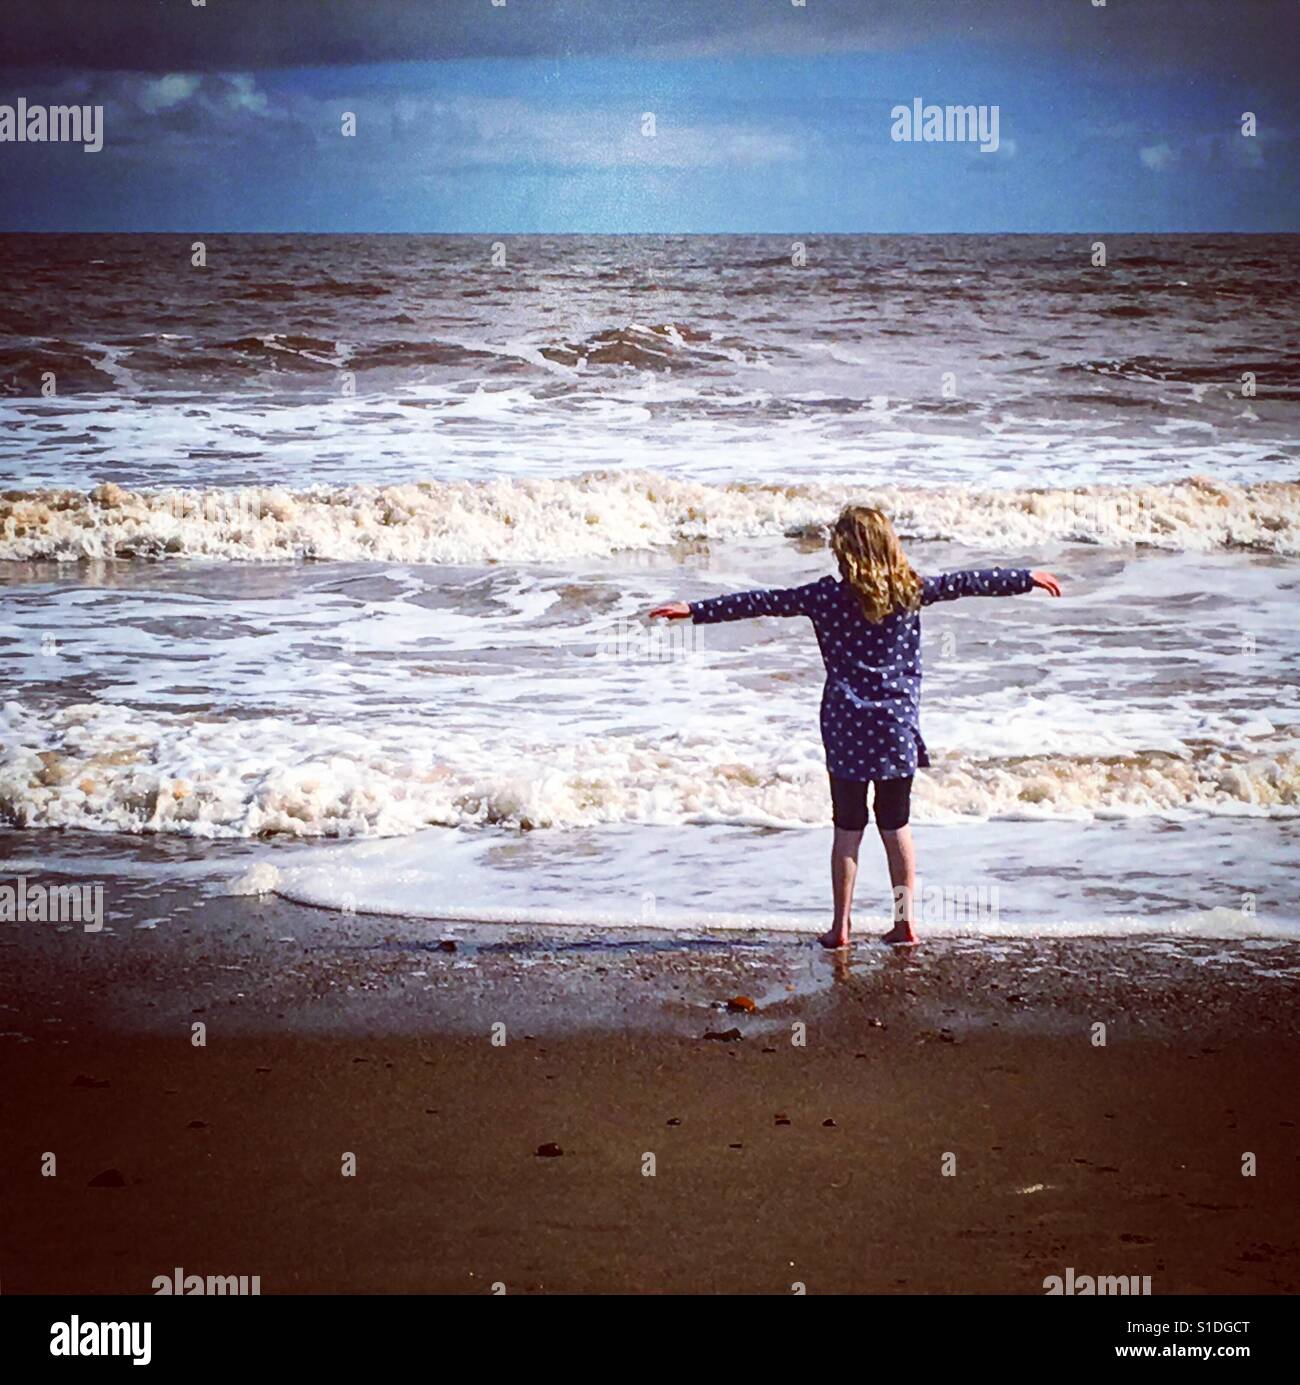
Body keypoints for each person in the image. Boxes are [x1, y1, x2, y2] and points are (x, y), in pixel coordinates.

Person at [649, 505, 1061, 947]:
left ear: (843, 551)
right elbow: (968, 583)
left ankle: (841, 927)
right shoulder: (911, 590)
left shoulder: (825, 596)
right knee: (895, 825)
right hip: (895, 723)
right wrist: (1025, 578)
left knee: (847, 826)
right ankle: (904, 923)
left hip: (845, 722)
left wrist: (695, 610)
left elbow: (762, 601)